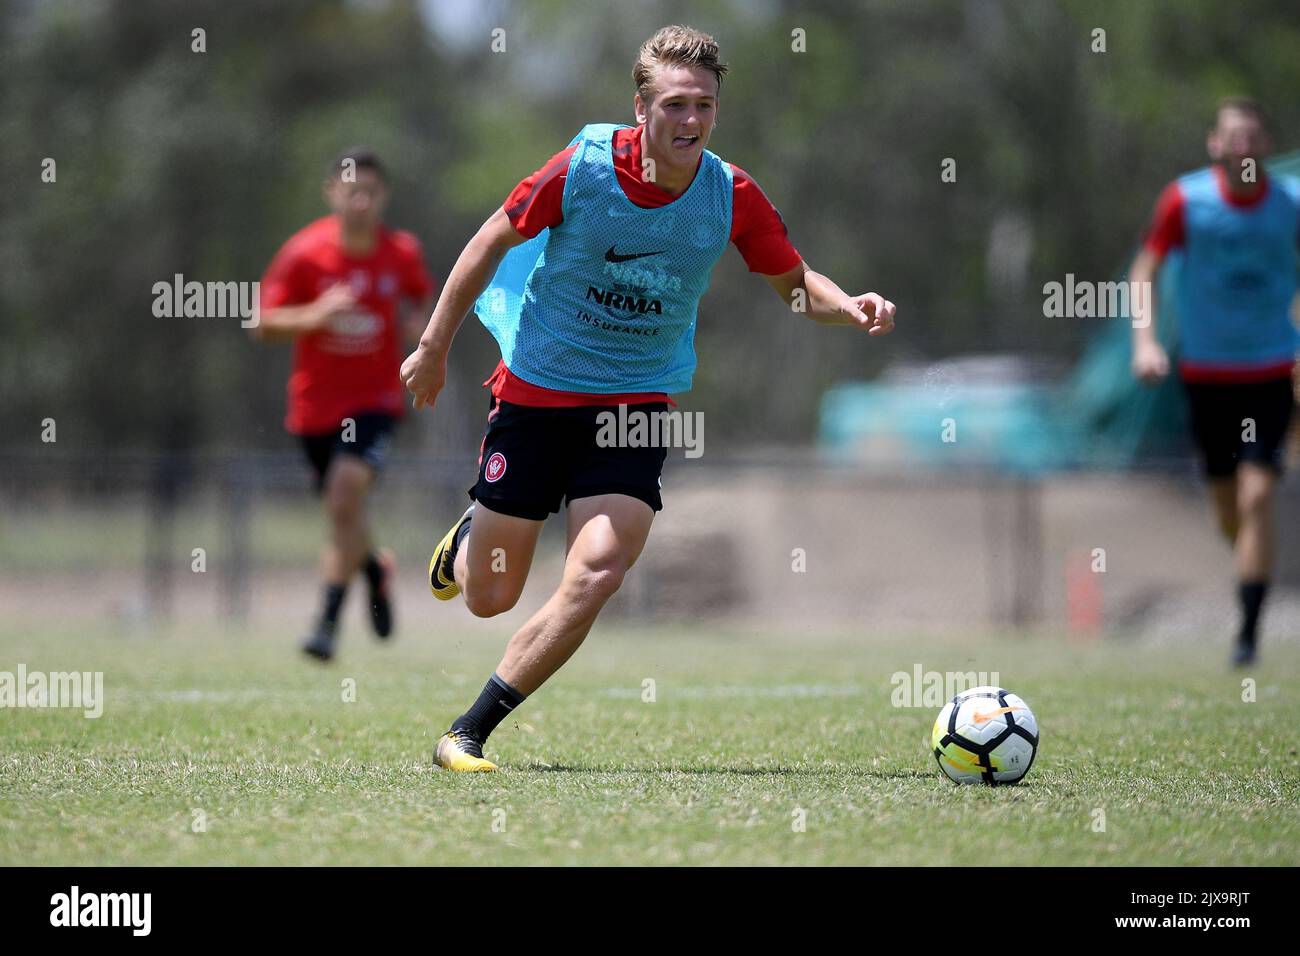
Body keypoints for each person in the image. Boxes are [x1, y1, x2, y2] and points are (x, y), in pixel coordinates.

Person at [400, 26, 896, 770]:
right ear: (641, 108)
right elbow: (489, 241)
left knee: (599, 570)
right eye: (673, 105)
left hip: (633, 407)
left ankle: (467, 731)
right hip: (536, 398)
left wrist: (847, 303)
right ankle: (470, 539)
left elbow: (794, 285)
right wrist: (434, 347)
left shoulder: (730, 195)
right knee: (489, 597)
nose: (690, 120)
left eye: (703, 105)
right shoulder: (583, 171)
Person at [1130, 97, 1300, 666]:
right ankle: (1250, 564)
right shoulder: (1187, 200)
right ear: (1215, 144)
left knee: (1257, 496)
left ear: (1266, 146)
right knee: (1228, 507)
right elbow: (1144, 270)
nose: (1243, 148)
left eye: (1253, 137)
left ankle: (1248, 636)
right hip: (1206, 375)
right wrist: (1146, 342)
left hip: (1274, 370)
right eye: (1234, 137)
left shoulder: (1290, 205)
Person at [256, 148, 436, 661]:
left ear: (384, 196)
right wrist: (315, 314)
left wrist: (419, 331)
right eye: (351, 190)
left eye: (371, 192)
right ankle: (375, 567)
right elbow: (262, 322)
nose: (361, 201)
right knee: (344, 514)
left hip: (375, 402)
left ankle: (326, 624)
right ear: (331, 192)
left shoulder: (401, 252)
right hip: (313, 409)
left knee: (342, 498)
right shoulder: (305, 253)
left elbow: (422, 297)